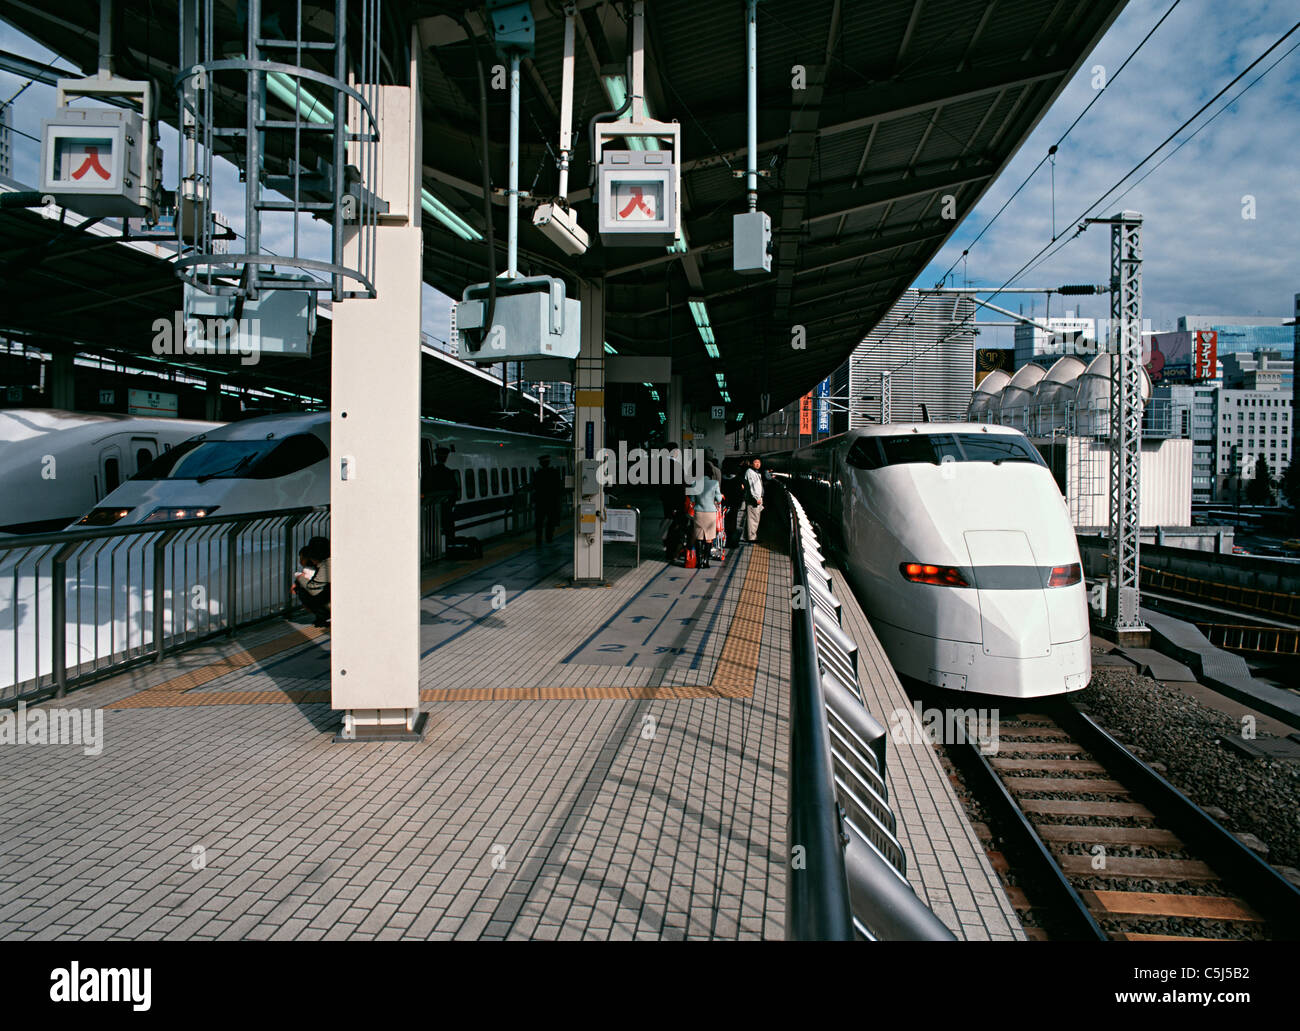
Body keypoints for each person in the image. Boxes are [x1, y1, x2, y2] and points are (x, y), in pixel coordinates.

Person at [689, 462, 724, 569]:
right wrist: (719, 496)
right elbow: (719, 499)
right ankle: (706, 561)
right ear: (710, 472)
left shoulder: (694, 483)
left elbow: (692, 499)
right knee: (709, 538)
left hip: (699, 512)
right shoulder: (714, 483)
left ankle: (699, 562)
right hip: (710, 513)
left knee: (699, 537)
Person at [291, 536, 330, 627]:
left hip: (333, 601)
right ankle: (325, 615)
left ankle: (325, 616)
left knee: (304, 591)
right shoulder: (327, 561)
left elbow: (313, 589)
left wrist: (299, 578)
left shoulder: (327, 565)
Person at [426, 446, 458, 546]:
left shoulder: (429, 472)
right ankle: (450, 548)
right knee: (449, 529)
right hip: (446, 508)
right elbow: (454, 491)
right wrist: (451, 504)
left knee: (431, 530)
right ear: (445, 458)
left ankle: (431, 548)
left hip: (430, 509)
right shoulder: (448, 473)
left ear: (436, 457)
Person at [533, 454, 564, 544]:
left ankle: (538, 539)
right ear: (548, 462)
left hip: (540, 502)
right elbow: (558, 487)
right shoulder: (554, 473)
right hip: (552, 502)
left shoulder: (537, 474)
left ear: (541, 463)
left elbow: (534, 486)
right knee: (550, 521)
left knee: (539, 521)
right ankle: (549, 538)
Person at [738, 457, 764, 544]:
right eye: (755, 462)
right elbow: (752, 487)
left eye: (759, 462)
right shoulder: (750, 472)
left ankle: (746, 536)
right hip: (754, 499)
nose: (757, 464)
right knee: (754, 519)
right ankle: (752, 538)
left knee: (752, 518)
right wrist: (756, 498)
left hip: (757, 498)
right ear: (752, 464)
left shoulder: (755, 472)